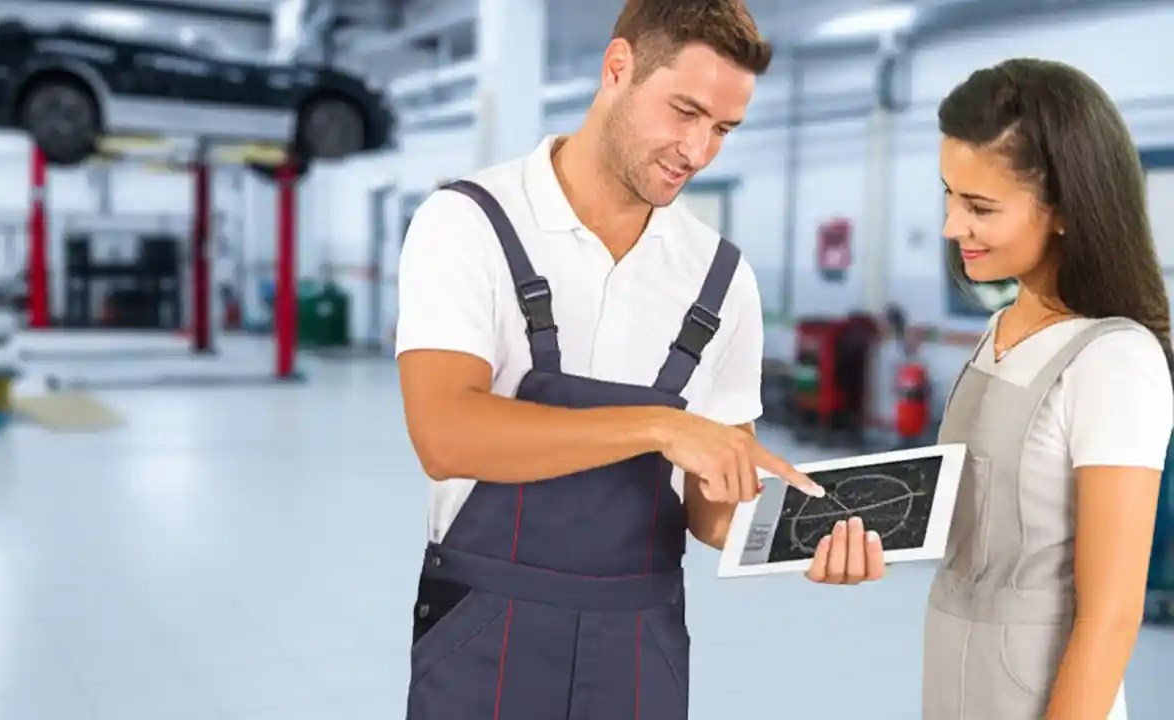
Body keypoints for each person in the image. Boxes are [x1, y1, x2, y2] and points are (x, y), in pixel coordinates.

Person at [395, 1, 883, 717]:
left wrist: (804, 538)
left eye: (723, 129)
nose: (698, 150)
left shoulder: (719, 276)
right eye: (684, 111)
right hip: (483, 625)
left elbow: (713, 510)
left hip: (638, 641)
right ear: (617, 68)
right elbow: (444, 435)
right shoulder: (469, 223)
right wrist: (660, 427)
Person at [924, 57, 1173, 720]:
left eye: (979, 206)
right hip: (953, 678)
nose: (952, 225)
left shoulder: (1114, 361)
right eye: (948, 194)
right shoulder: (998, 328)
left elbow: (1112, 616)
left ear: (1064, 208)